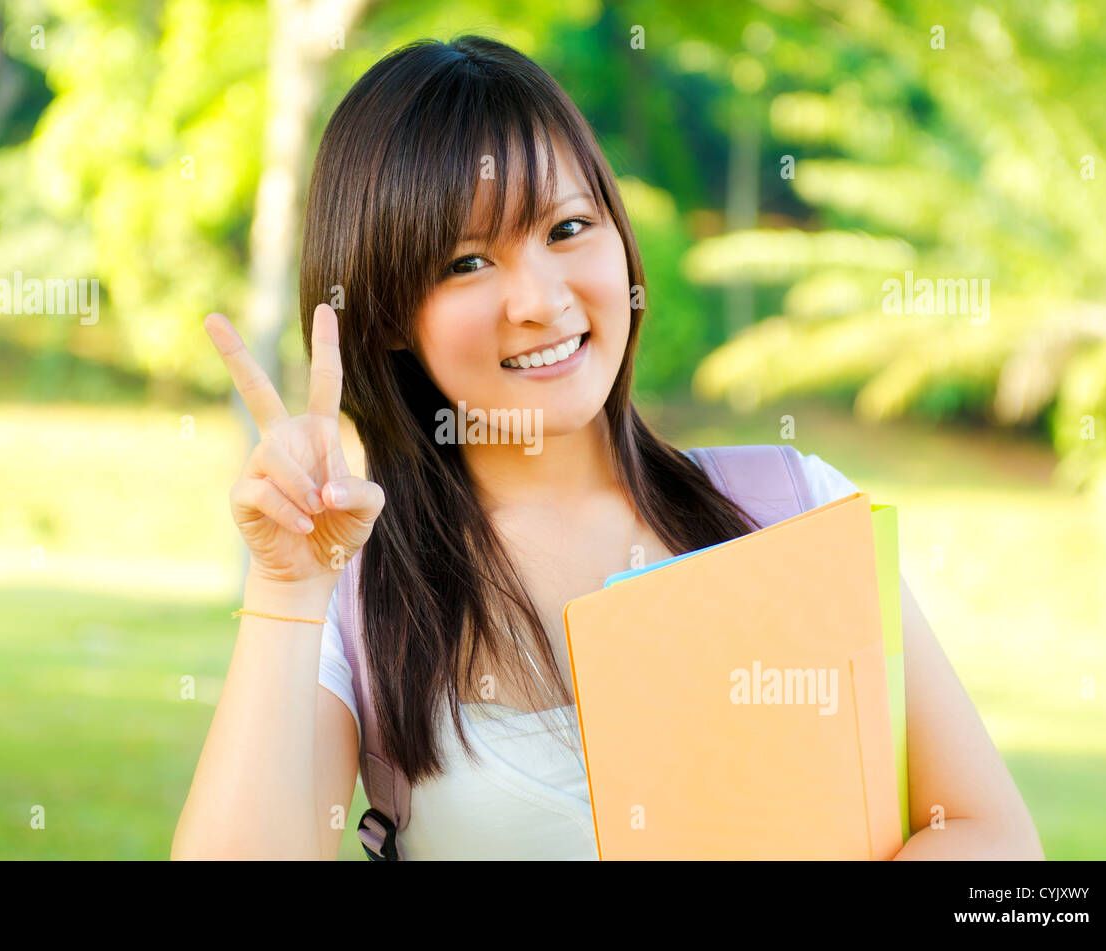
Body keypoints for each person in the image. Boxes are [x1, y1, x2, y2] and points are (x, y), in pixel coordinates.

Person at [171, 35, 1042, 861]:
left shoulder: (795, 510)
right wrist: (287, 587)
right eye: (467, 262)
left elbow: (991, 840)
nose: (541, 300)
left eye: (565, 229)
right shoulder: (358, 599)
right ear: (390, 313)